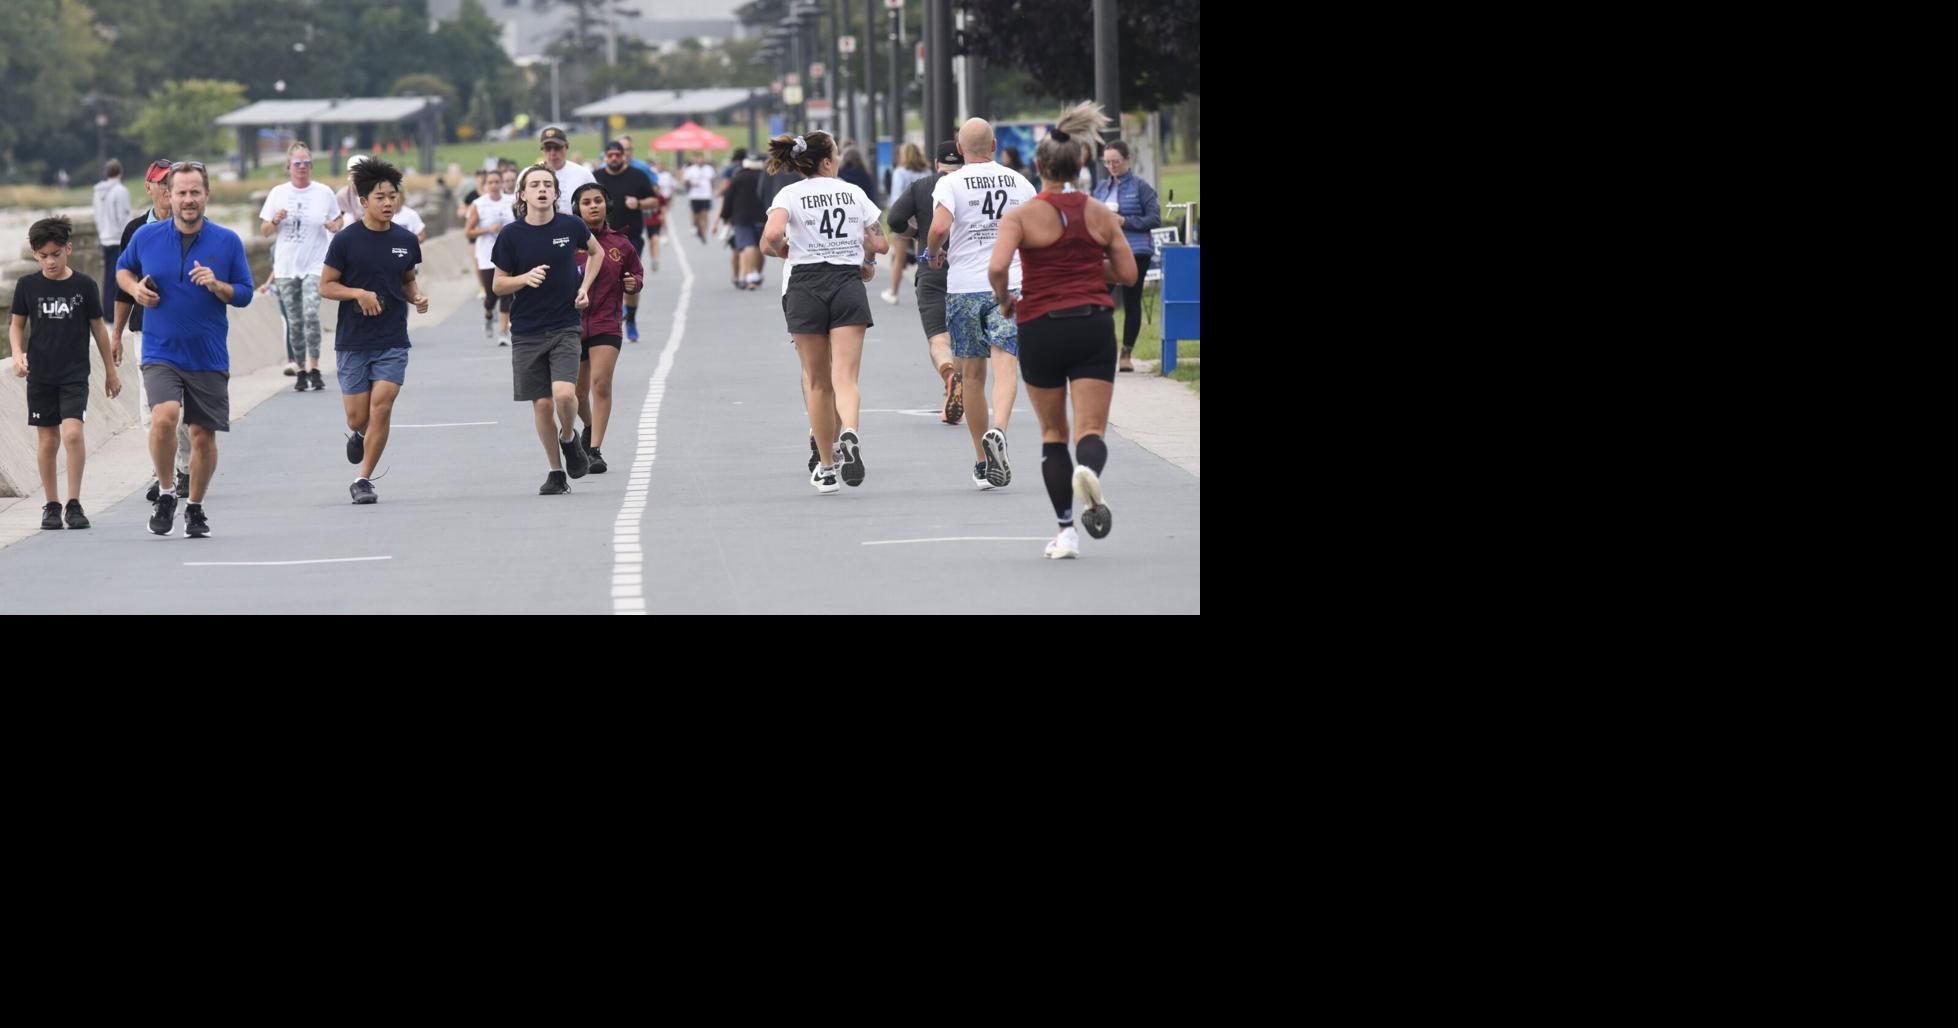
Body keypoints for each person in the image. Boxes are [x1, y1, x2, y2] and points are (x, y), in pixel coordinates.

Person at [989, 102, 1136, 559]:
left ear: (1038, 165)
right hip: (1093, 323)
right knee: (1090, 429)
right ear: (1081, 163)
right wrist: (1092, 265)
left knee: (1053, 433)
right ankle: (1088, 471)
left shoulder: (1021, 216)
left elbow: (998, 267)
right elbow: (1128, 275)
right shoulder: (1098, 212)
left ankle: (1067, 531)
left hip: (1040, 326)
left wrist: (1005, 300)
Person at [116, 161, 254, 539]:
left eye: (195, 192)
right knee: (164, 417)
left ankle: (194, 507)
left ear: (207, 195)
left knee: (202, 437)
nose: (188, 199)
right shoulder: (146, 237)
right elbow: (122, 271)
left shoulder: (226, 241)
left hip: (208, 355)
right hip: (161, 350)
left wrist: (219, 286)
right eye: (181, 192)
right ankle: (165, 492)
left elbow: (245, 293)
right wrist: (135, 291)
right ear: (168, 195)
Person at [761, 131, 888, 493]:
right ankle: (849, 430)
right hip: (846, 281)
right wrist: (863, 256)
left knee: (816, 381)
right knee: (845, 377)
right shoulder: (852, 192)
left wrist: (785, 249)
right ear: (828, 162)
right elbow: (880, 242)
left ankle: (827, 465)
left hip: (806, 282)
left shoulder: (790, 194)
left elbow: (770, 235)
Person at [928, 118, 1037, 490]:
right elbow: (1036, 229)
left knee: (971, 376)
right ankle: (1000, 428)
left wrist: (932, 253)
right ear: (993, 146)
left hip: (965, 288)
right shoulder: (1019, 182)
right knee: (1006, 363)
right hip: (1010, 284)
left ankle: (980, 459)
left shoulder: (950, 182)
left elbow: (941, 227)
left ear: (959, 149)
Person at [491, 163, 607, 495]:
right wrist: (523, 279)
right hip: (527, 330)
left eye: (548, 185)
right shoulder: (511, 235)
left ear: (556, 193)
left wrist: (584, 287)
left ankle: (569, 437)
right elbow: (498, 285)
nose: (542, 190)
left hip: (565, 325)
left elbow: (596, 254)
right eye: (535, 185)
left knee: (564, 394)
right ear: (523, 194)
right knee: (542, 405)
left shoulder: (571, 225)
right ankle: (556, 471)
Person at [318, 157, 428, 505]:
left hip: (392, 338)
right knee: (357, 416)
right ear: (362, 201)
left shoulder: (406, 240)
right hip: (353, 340)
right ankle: (359, 434)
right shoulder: (346, 241)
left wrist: (417, 296)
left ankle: (363, 479)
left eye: (392, 196)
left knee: (383, 405)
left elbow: (408, 279)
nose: (387, 203)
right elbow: (326, 286)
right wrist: (358, 293)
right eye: (379, 197)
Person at [9, 216, 122, 530]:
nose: (50, 261)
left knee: (72, 434)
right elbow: (17, 325)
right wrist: (18, 354)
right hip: (41, 375)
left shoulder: (84, 285)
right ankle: (52, 504)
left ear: (68, 249)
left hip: (74, 374)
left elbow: (99, 330)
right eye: (43, 256)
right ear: (35, 255)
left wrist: (110, 372)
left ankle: (74, 503)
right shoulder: (27, 285)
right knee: (47, 441)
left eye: (55, 254)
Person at [886, 140, 964, 426]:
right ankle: (962, 380)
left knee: (938, 337)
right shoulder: (971, 185)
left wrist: (913, 231)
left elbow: (894, 219)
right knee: (964, 338)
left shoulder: (921, 186)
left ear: (936, 164)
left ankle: (948, 375)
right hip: (967, 271)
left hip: (931, 270)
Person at [568, 183, 641, 476]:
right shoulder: (566, 242)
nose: (593, 206)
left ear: (606, 205)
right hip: (570, 325)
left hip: (606, 323)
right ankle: (587, 426)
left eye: (598, 201)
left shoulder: (620, 244)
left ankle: (595, 450)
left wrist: (634, 283)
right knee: (576, 392)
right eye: (586, 202)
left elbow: (636, 272)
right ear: (577, 209)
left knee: (601, 384)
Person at [259, 142, 345, 393]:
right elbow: (264, 231)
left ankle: (315, 366)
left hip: (315, 263)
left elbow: (338, 218)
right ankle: (300, 369)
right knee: (294, 321)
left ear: (311, 166)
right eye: (297, 164)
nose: (302, 168)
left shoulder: (323, 192)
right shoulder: (278, 193)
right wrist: (275, 220)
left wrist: (334, 225)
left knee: (310, 314)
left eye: (306, 163)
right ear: (289, 167)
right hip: (286, 266)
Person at [1092, 139, 1161, 372]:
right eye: (1108, 162)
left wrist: (1124, 221)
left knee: (1132, 300)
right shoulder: (1101, 188)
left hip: (1136, 250)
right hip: (1105, 252)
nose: (1111, 166)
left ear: (1127, 160)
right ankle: (1103, 349)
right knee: (1099, 300)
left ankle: (1126, 353)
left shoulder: (1141, 187)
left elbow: (1154, 218)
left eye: (1116, 162)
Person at [592, 139, 657, 340]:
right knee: (604, 280)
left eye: (617, 155)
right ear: (605, 157)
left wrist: (637, 203)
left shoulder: (637, 176)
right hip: (602, 238)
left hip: (631, 238)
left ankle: (631, 320)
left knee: (629, 280)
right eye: (609, 155)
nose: (613, 158)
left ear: (624, 156)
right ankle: (606, 320)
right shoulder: (596, 177)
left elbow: (654, 200)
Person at [465, 164, 516, 345]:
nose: (494, 185)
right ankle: (488, 314)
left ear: (502, 183)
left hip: (507, 254)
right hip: (486, 255)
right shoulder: (479, 204)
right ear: (485, 185)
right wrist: (488, 229)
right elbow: (468, 232)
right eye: (490, 182)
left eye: (497, 182)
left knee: (506, 294)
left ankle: (503, 332)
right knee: (491, 295)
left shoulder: (511, 201)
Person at [880, 143, 930, 305]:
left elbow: (895, 197)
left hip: (905, 216)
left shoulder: (900, 173)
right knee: (922, 255)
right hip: (922, 215)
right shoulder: (926, 171)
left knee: (899, 257)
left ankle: (894, 292)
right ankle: (924, 290)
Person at [720, 151, 768, 290]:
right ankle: (757, 274)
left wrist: (725, 216)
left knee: (747, 245)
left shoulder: (738, 177)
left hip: (741, 217)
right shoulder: (764, 177)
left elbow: (728, 199)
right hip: (762, 216)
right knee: (760, 247)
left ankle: (749, 275)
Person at [91, 159, 133, 301]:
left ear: (106, 173)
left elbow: (97, 214)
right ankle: (115, 311)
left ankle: (108, 312)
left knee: (108, 276)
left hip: (104, 237)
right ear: (120, 172)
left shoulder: (97, 192)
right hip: (118, 239)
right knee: (121, 275)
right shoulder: (121, 191)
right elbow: (123, 217)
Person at [537, 125, 595, 215]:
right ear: (542, 150)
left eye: (557, 147)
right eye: (548, 148)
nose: (552, 153)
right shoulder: (529, 175)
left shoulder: (583, 174)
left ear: (566, 147)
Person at [683, 152, 718, 243]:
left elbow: (712, 181)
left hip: (706, 195)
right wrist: (692, 184)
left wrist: (713, 190)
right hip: (695, 196)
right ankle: (698, 229)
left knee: (705, 215)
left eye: (700, 158)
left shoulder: (709, 169)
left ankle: (704, 233)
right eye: (697, 158)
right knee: (696, 217)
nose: (699, 160)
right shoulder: (690, 170)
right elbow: (686, 182)